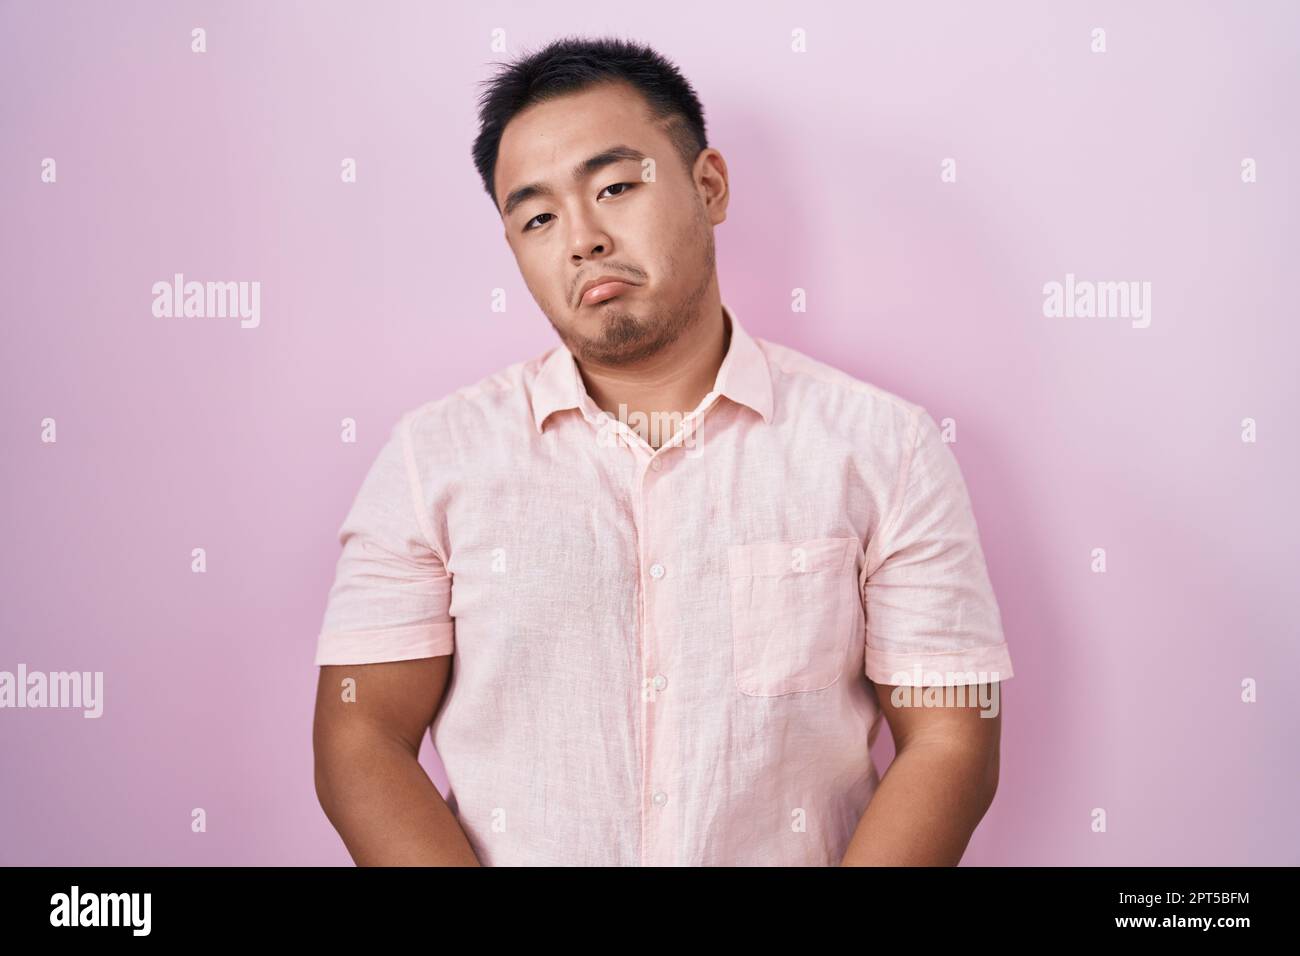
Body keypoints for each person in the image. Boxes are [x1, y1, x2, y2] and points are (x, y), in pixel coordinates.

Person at [312, 35, 1013, 866]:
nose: (582, 239)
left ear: (707, 186)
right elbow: (361, 738)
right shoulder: (433, 459)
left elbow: (949, 736)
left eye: (614, 187)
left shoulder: (882, 447)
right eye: (537, 217)